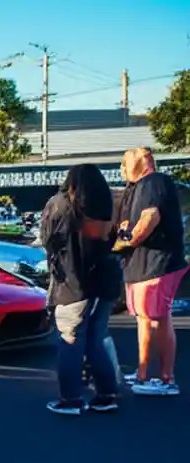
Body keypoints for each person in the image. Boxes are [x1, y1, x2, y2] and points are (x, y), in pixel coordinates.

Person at [41, 164, 121, 415]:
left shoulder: (61, 204)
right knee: (95, 338)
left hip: (74, 282)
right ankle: (106, 394)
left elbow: (47, 239)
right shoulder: (108, 204)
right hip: (105, 279)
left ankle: (71, 399)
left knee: (70, 339)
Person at [114, 147, 186, 396]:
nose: (122, 169)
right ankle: (144, 373)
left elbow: (149, 217)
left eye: (125, 163)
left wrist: (129, 240)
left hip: (157, 263)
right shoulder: (135, 188)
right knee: (146, 318)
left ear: (140, 163)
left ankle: (166, 379)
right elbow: (126, 222)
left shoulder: (154, 182)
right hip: (140, 265)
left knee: (157, 318)